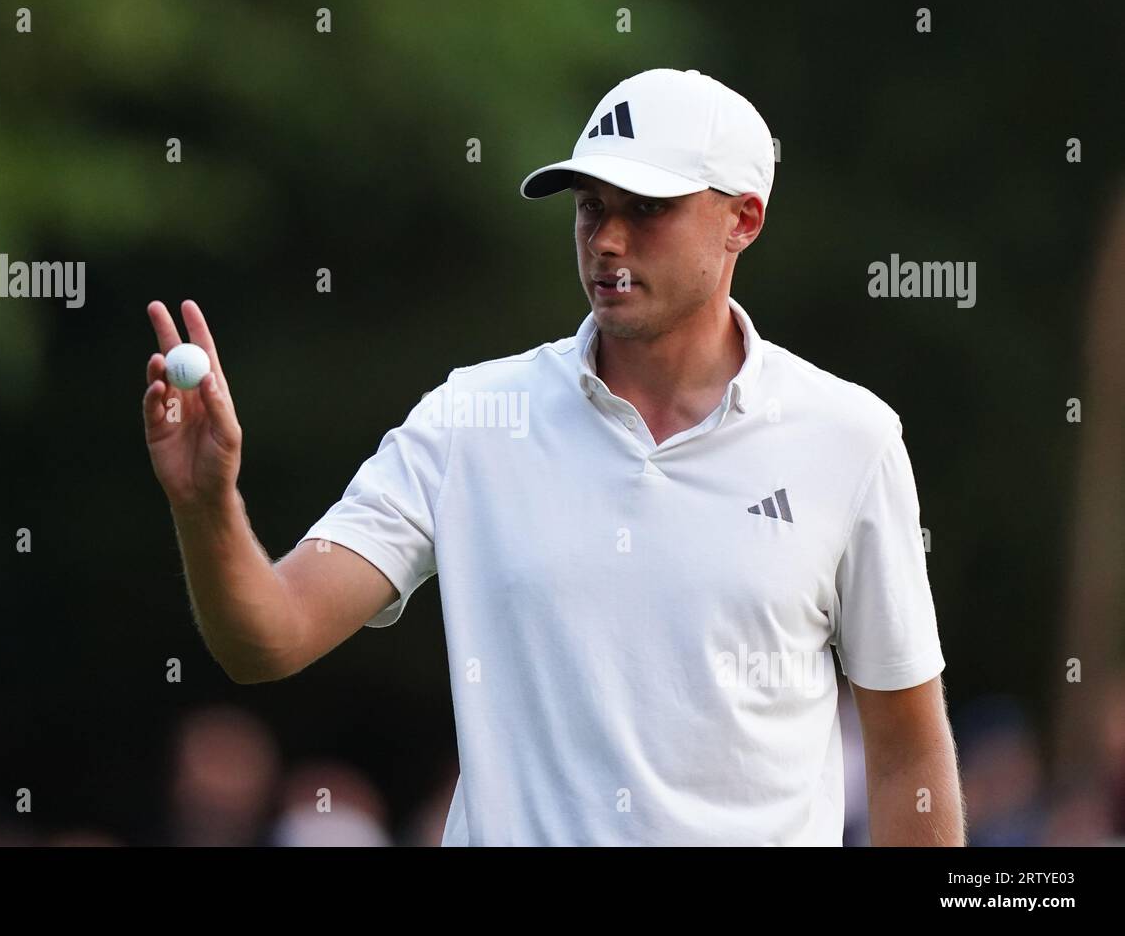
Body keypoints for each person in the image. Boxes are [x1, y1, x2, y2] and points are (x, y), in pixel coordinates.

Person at [142, 68, 964, 846]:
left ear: (742, 219)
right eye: (590, 207)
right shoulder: (471, 418)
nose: (606, 238)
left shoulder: (848, 438)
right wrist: (206, 504)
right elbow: (269, 638)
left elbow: (907, 753)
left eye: (645, 208)